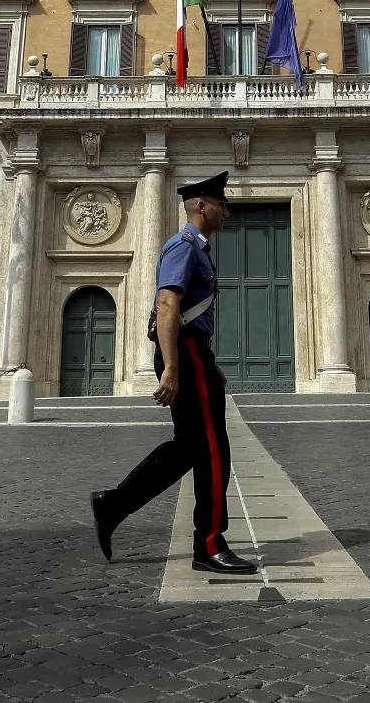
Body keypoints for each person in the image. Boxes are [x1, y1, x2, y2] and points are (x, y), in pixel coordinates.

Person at [90, 170, 257, 575]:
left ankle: (113, 505)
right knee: (213, 448)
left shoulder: (196, 248)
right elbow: (167, 306)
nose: (227, 211)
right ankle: (209, 544)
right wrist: (172, 368)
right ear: (201, 206)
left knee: (190, 447)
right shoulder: (184, 247)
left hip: (194, 354)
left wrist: (206, 365)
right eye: (221, 204)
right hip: (184, 352)